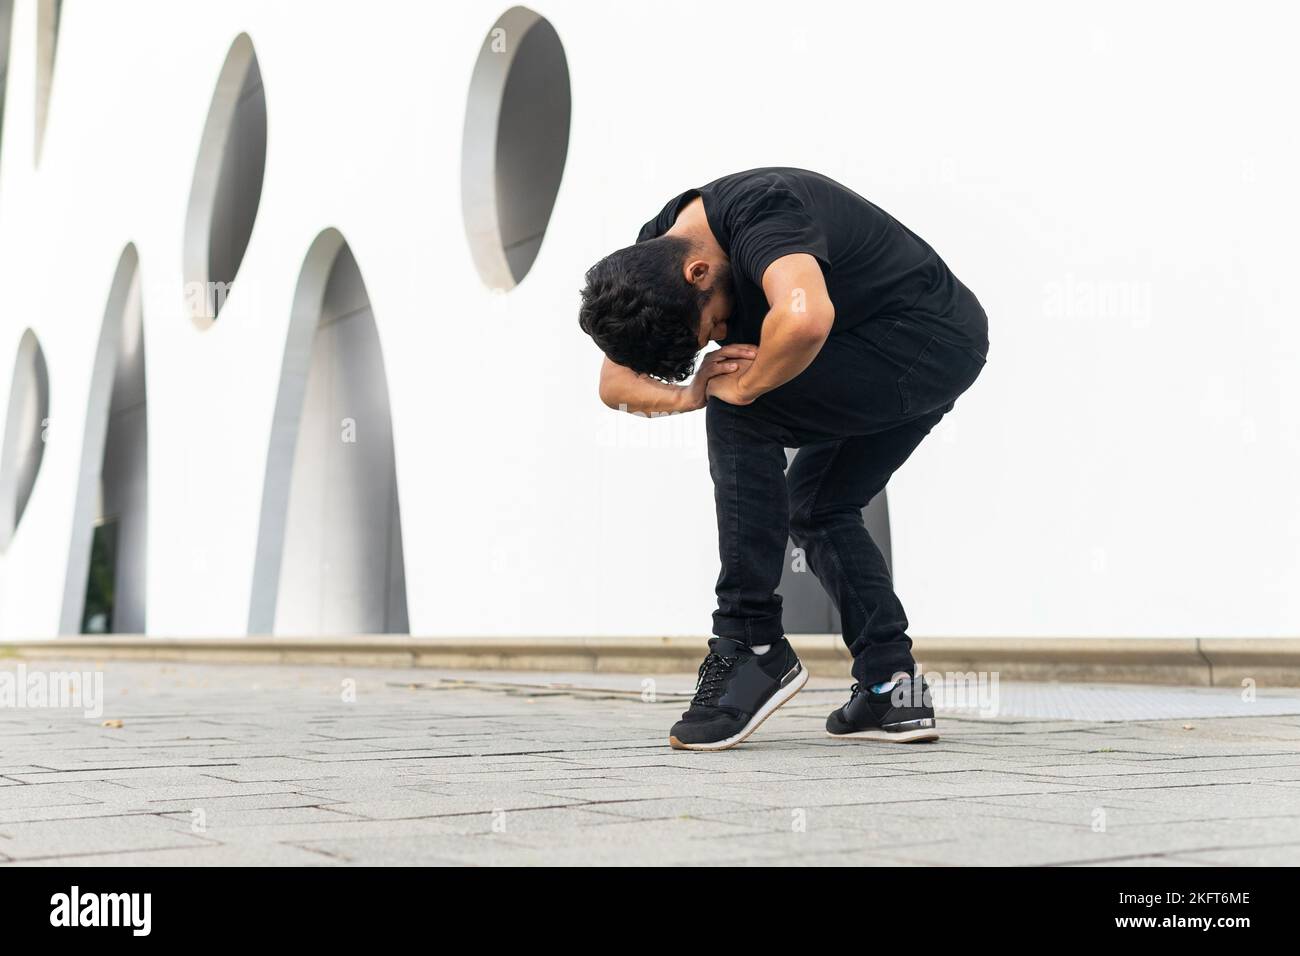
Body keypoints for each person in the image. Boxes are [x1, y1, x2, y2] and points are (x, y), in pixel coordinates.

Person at [578, 168, 988, 751]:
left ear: (697, 272)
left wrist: (738, 392)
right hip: (910, 349)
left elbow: (804, 318)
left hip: (924, 339)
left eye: (713, 323)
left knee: (742, 407)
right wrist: (690, 392)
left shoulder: (762, 211)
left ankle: (752, 643)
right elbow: (613, 383)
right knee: (820, 508)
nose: (719, 334)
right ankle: (891, 688)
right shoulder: (655, 253)